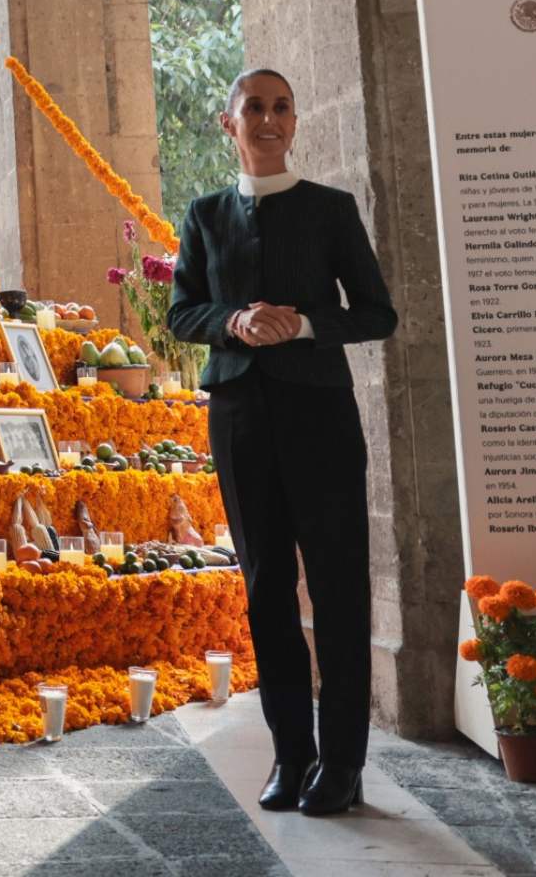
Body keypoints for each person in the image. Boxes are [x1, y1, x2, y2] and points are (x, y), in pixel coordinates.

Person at [166, 69, 397, 817]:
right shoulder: (204, 215)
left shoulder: (330, 210)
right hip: (238, 419)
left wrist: (299, 324)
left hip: (320, 417)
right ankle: (291, 754)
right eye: (254, 107)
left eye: (281, 107)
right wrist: (232, 321)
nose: (269, 118)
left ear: (294, 122)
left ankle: (344, 764)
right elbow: (182, 313)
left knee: (336, 587)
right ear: (228, 123)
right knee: (266, 590)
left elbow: (376, 313)